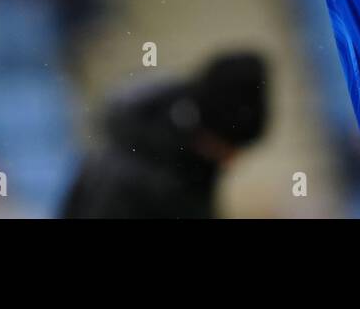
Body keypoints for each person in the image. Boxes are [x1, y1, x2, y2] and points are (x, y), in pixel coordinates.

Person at [61, 53, 267, 219]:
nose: (231, 161)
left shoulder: (194, 162)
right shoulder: (127, 172)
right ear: (206, 132)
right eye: (226, 148)